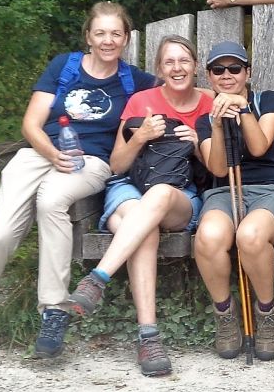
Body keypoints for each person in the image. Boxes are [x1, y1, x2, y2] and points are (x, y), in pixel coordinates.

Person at [0, 3, 156, 365]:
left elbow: (177, 91)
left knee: (52, 199)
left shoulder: (134, 81)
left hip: (91, 162)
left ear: (126, 38)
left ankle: (54, 313)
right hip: (39, 154)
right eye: (100, 33)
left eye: (116, 33)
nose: (108, 40)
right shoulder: (64, 67)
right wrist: (51, 154)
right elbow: (31, 124)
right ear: (88, 36)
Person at [62, 34, 213, 376]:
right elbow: (116, 164)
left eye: (184, 61)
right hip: (129, 190)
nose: (177, 68)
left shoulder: (208, 103)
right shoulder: (141, 101)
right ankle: (149, 338)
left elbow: (218, 166)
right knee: (143, 227)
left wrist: (197, 145)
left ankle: (98, 278)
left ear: (194, 66)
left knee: (158, 196)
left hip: (179, 195)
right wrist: (141, 135)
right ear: (160, 68)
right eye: (169, 62)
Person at [194, 41, 274, 362]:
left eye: (235, 69)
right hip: (225, 191)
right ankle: (225, 315)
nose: (226, 76)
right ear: (209, 77)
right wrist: (215, 123)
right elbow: (216, 168)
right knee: (209, 237)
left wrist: (242, 110)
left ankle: (267, 313)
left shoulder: (267, 100)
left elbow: (258, 147)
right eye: (218, 70)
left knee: (250, 236)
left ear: (247, 73)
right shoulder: (204, 119)